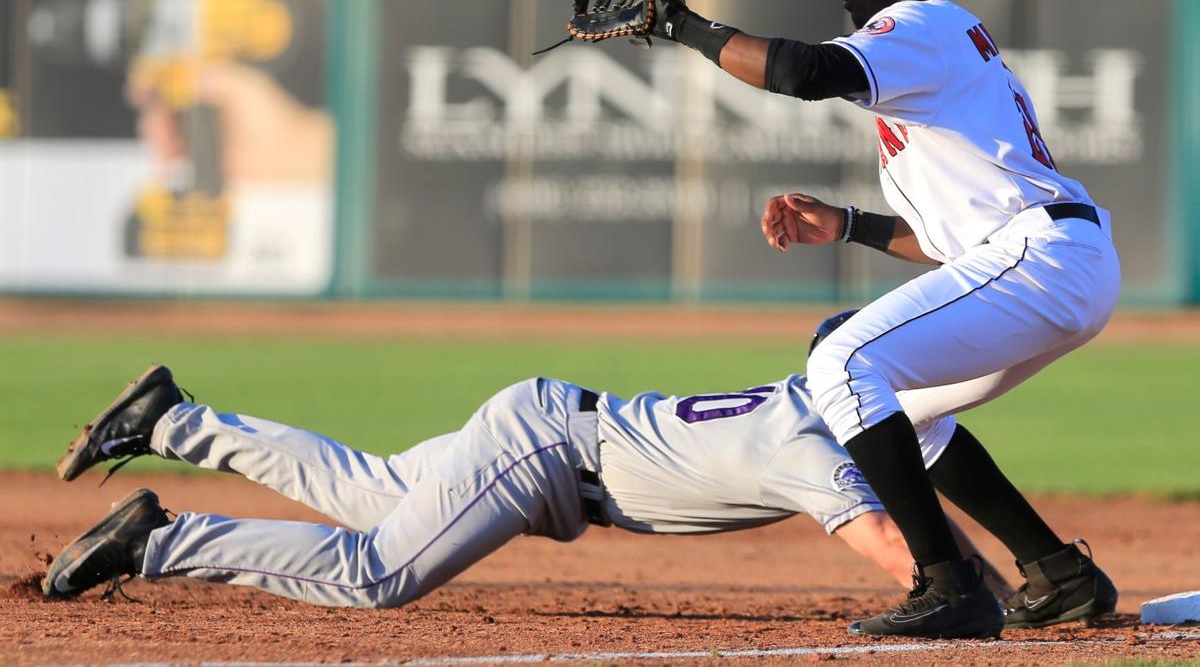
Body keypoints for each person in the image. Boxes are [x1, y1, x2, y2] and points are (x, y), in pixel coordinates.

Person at [644, 0, 1121, 639]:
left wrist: (682, 25)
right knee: (900, 403)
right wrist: (845, 224)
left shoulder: (920, 24)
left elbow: (802, 73)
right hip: (1048, 257)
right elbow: (949, 242)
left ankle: (947, 583)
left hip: (1044, 256)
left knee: (840, 361)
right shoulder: (930, 55)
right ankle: (1056, 569)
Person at [43, 313, 1014, 608]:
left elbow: (900, 501)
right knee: (374, 575)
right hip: (549, 457)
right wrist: (992, 599)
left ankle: (171, 421)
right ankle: (158, 542)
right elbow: (899, 545)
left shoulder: (810, 404)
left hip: (550, 427)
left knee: (368, 488)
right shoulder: (812, 442)